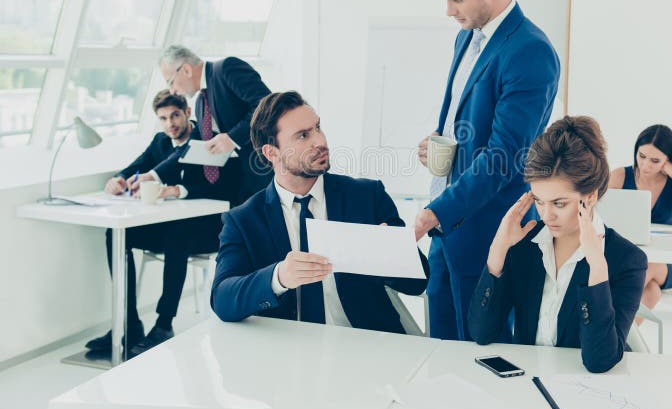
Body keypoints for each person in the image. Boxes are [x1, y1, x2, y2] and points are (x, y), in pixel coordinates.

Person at [415, 0, 560, 340]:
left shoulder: (530, 50)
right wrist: (439, 142)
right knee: (439, 354)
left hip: (488, 236)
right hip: (447, 228)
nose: (448, 10)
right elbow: (470, 125)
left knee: (481, 361)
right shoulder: (465, 37)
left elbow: (503, 157)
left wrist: (435, 212)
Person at [211, 91, 429, 333]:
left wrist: (389, 253)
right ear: (272, 153)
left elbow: (419, 283)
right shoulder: (243, 220)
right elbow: (222, 298)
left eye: (317, 128)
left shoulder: (367, 196)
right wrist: (278, 277)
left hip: (367, 344)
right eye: (303, 136)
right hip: (289, 352)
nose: (320, 141)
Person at [468, 116, 647, 373]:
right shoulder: (524, 245)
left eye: (559, 204)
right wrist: (498, 249)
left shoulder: (626, 260)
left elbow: (600, 361)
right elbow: (481, 333)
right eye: (539, 201)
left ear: (591, 195)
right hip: (530, 385)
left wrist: (597, 269)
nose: (545, 215)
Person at [85, 90, 235, 356]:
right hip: (171, 226)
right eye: (163, 118)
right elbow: (138, 166)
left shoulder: (207, 140)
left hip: (208, 230)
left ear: (188, 113)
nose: (170, 124)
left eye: (175, 115)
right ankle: (128, 322)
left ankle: (164, 324)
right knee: (118, 235)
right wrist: (118, 179)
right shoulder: (160, 142)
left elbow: (221, 186)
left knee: (178, 235)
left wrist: (178, 190)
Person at [141, 45, 272, 204]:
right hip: (245, 185)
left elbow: (267, 105)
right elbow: (190, 148)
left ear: (186, 70)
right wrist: (153, 175)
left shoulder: (226, 69)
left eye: (171, 82)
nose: (172, 91)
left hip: (268, 171)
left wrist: (232, 138)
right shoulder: (200, 104)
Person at [608, 124, 672, 316]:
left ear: (668, 160)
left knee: (646, 267)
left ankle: (608, 323)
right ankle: (622, 341)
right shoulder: (620, 176)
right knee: (651, 292)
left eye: (655, 160)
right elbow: (602, 215)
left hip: (663, 264)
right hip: (626, 257)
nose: (646, 165)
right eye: (642, 156)